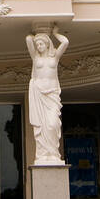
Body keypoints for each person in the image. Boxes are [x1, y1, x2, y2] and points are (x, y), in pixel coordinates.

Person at [25, 28, 68, 164]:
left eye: (41, 43)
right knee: (42, 126)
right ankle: (43, 154)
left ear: (47, 43)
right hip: (39, 93)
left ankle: (54, 153)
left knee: (52, 123)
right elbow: (27, 39)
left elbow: (65, 42)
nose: (39, 46)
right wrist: (35, 36)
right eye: (37, 44)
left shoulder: (54, 56)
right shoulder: (35, 57)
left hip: (52, 94)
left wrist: (55, 34)